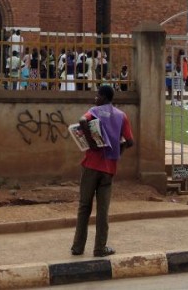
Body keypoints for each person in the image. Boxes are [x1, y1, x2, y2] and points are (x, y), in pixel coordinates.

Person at [71, 84, 134, 258]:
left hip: (91, 165)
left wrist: (91, 142)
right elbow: (129, 142)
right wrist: (119, 149)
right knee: (103, 210)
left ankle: (78, 247)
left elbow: (83, 121)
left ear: (104, 97)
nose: (95, 98)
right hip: (109, 168)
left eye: (98, 95)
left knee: (84, 206)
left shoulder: (95, 111)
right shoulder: (122, 116)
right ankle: (99, 248)